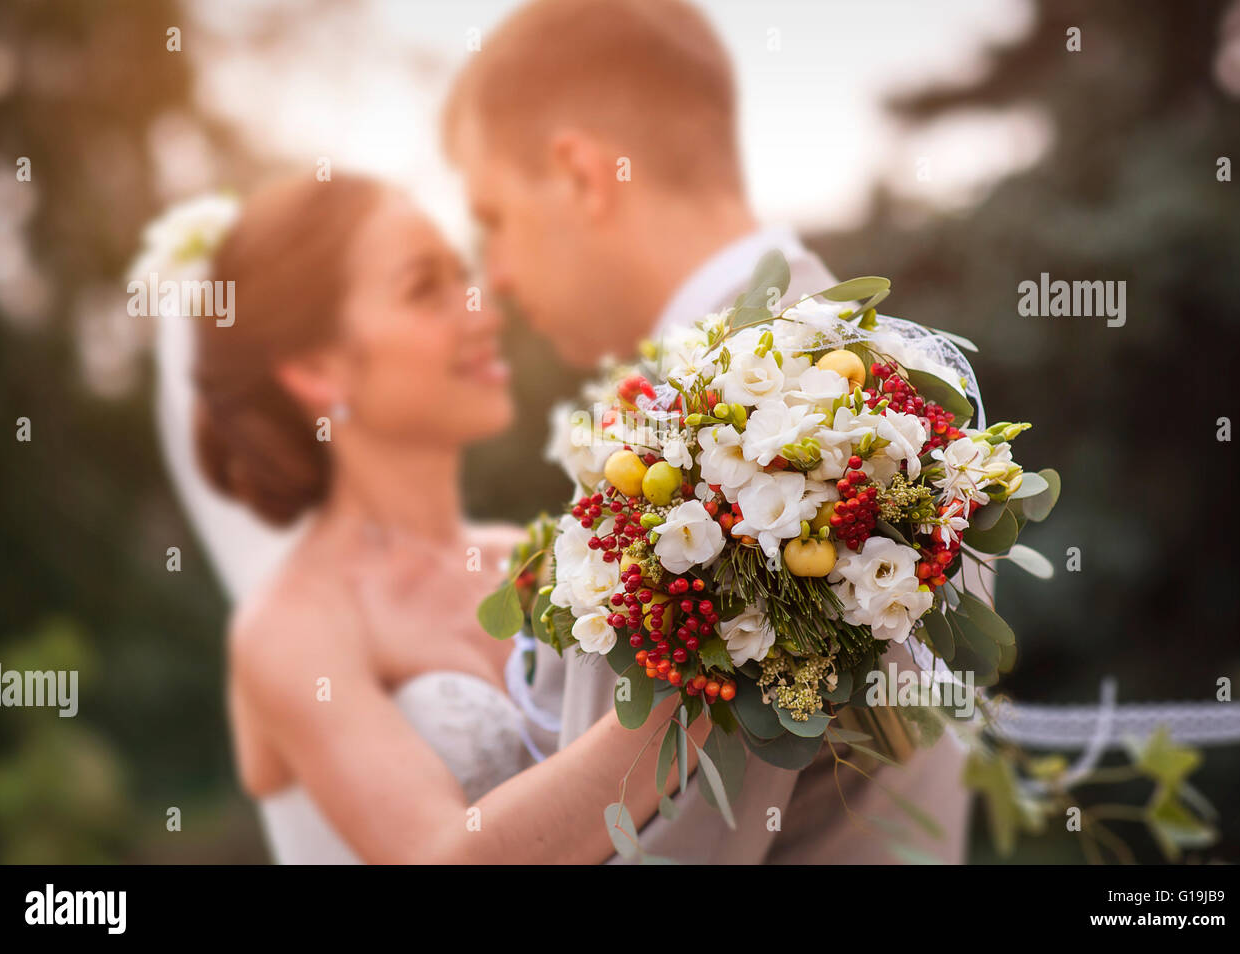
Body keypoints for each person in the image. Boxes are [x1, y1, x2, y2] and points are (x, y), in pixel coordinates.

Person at [444, 0, 972, 863]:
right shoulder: (883, 383)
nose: (495, 274)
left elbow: (644, 845)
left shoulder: (729, 441)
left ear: (580, 175)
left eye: (493, 217)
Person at [158, 172, 702, 863]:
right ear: (316, 370)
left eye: (463, 274)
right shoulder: (290, 628)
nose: (483, 313)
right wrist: (713, 672)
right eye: (424, 288)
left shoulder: (535, 555)